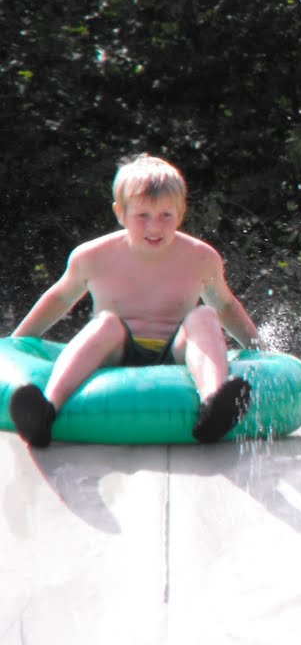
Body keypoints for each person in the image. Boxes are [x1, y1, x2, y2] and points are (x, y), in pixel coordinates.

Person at [7, 154, 260, 447]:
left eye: (166, 215)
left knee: (204, 316)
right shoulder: (93, 256)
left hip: (175, 351)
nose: (155, 227)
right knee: (106, 323)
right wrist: (17, 343)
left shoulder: (201, 258)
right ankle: (46, 410)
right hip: (116, 351)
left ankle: (214, 406)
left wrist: (257, 347)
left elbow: (226, 306)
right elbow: (60, 297)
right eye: (143, 216)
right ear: (120, 212)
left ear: (181, 212)